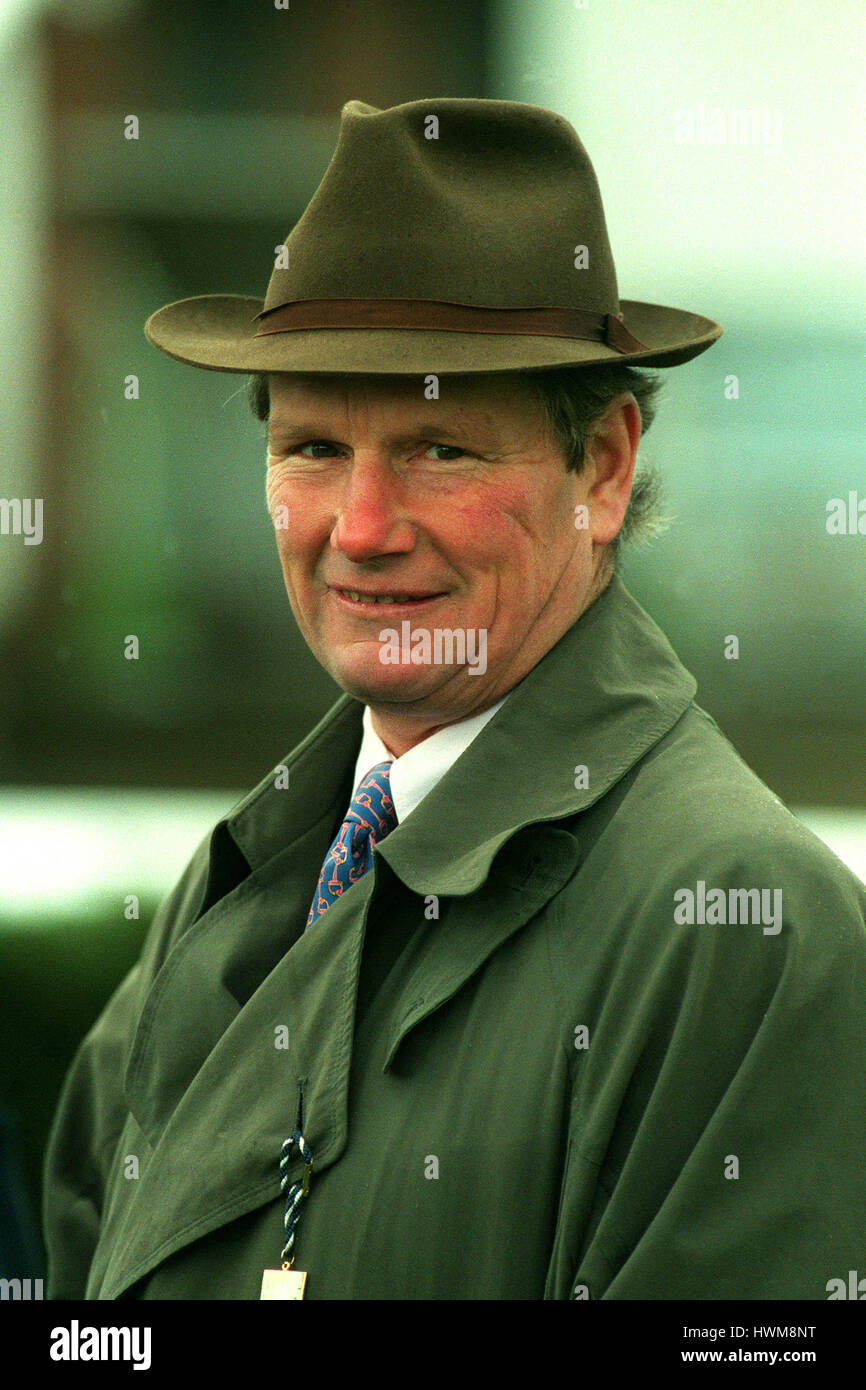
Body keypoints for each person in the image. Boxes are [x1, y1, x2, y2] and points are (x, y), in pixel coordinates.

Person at [43, 97, 866, 1301]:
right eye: (314, 448)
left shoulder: (742, 925)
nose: (360, 530)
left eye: (438, 449)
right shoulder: (250, 874)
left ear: (602, 466)